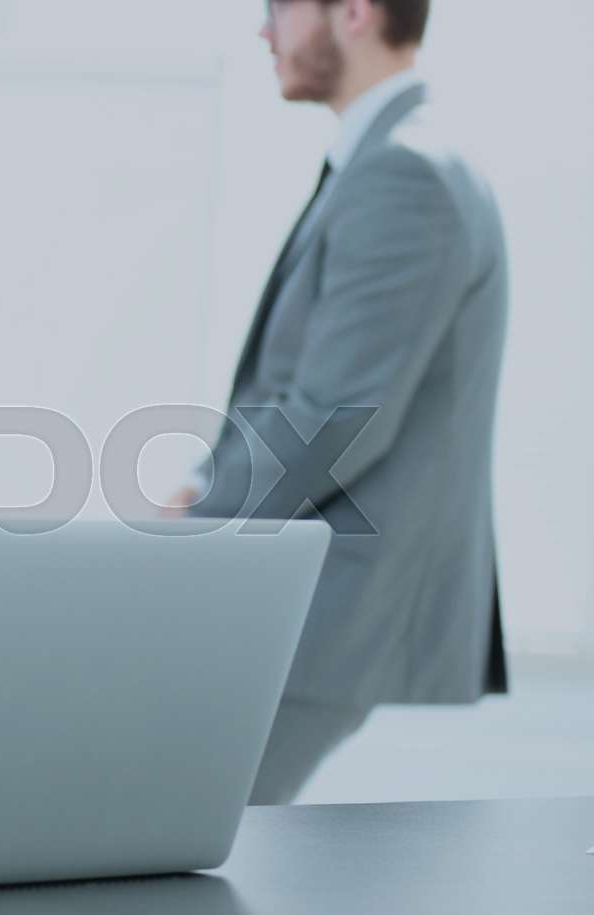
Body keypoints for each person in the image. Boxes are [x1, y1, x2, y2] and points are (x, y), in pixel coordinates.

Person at [168, 0, 509, 804]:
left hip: (327, 610)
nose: (264, 32)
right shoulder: (397, 159)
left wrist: (189, 526)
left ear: (354, 12)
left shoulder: (404, 173)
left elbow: (333, 418)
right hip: (314, 601)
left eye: (278, 9)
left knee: (158, 833)